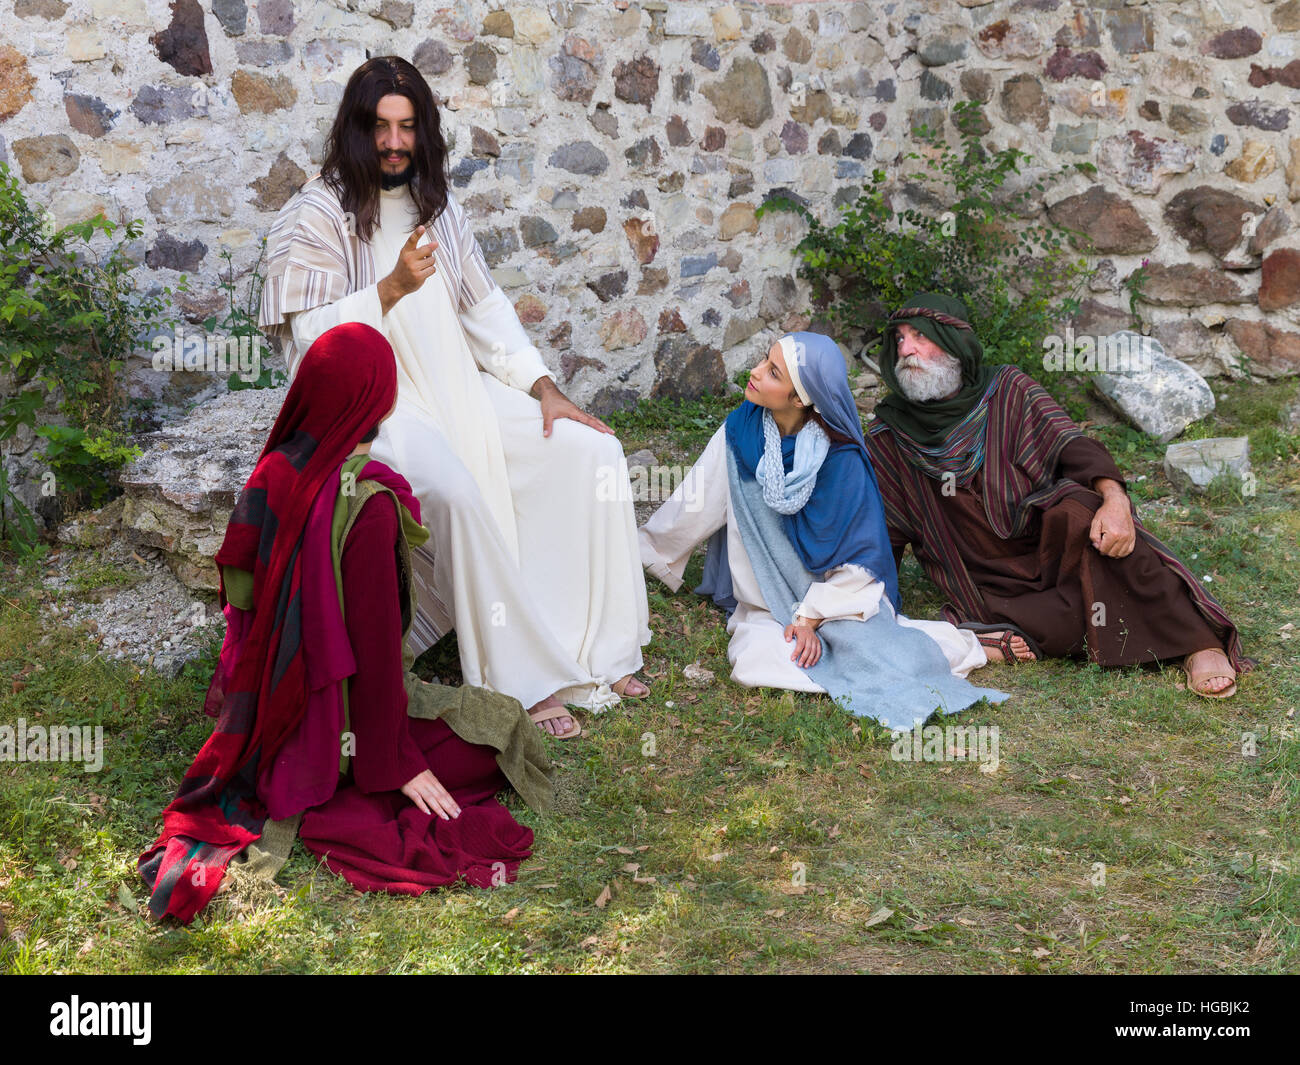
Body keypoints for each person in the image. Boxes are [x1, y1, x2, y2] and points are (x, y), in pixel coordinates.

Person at [258, 55, 650, 739]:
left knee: (590, 452)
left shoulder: (437, 208)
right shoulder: (316, 214)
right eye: (380, 127)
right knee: (457, 491)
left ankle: (603, 649)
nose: (394, 142)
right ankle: (523, 683)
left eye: (408, 127)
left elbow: (486, 309)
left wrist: (544, 389)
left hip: (457, 389)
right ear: (355, 129)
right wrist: (390, 290)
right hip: (377, 412)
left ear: (424, 131)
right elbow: (307, 345)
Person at [139, 323, 552, 924]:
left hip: (264, 718)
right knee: (500, 730)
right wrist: (397, 761)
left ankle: (312, 769)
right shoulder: (368, 506)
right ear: (378, 402)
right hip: (344, 731)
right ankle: (347, 787)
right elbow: (377, 656)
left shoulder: (272, 473)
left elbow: (242, 618)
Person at [863, 291, 1249, 697]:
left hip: (1048, 544)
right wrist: (870, 602)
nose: (906, 350)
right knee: (1062, 618)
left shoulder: (1009, 390)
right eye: (900, 340)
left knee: (1087, 515)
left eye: (919, 337)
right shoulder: (890, 437)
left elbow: (1072, 446)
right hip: (987, 582)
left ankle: (1199, 643)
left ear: (954, 343)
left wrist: (1116, 503)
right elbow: (882, 531)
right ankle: (989, 637)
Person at [638, 332, 1006, 731]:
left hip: (834, 597)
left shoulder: (841, 460)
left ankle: (967, 646)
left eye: (772, 372)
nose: (755, 373)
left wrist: (809, 618)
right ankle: (946, 646)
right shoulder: (739, 432)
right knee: (754, 662)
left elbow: (860, 564)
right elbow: (694, 504)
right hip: (767, 600)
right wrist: (642, 551)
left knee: (865, 645)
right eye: (764, 361)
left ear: (799, 399)